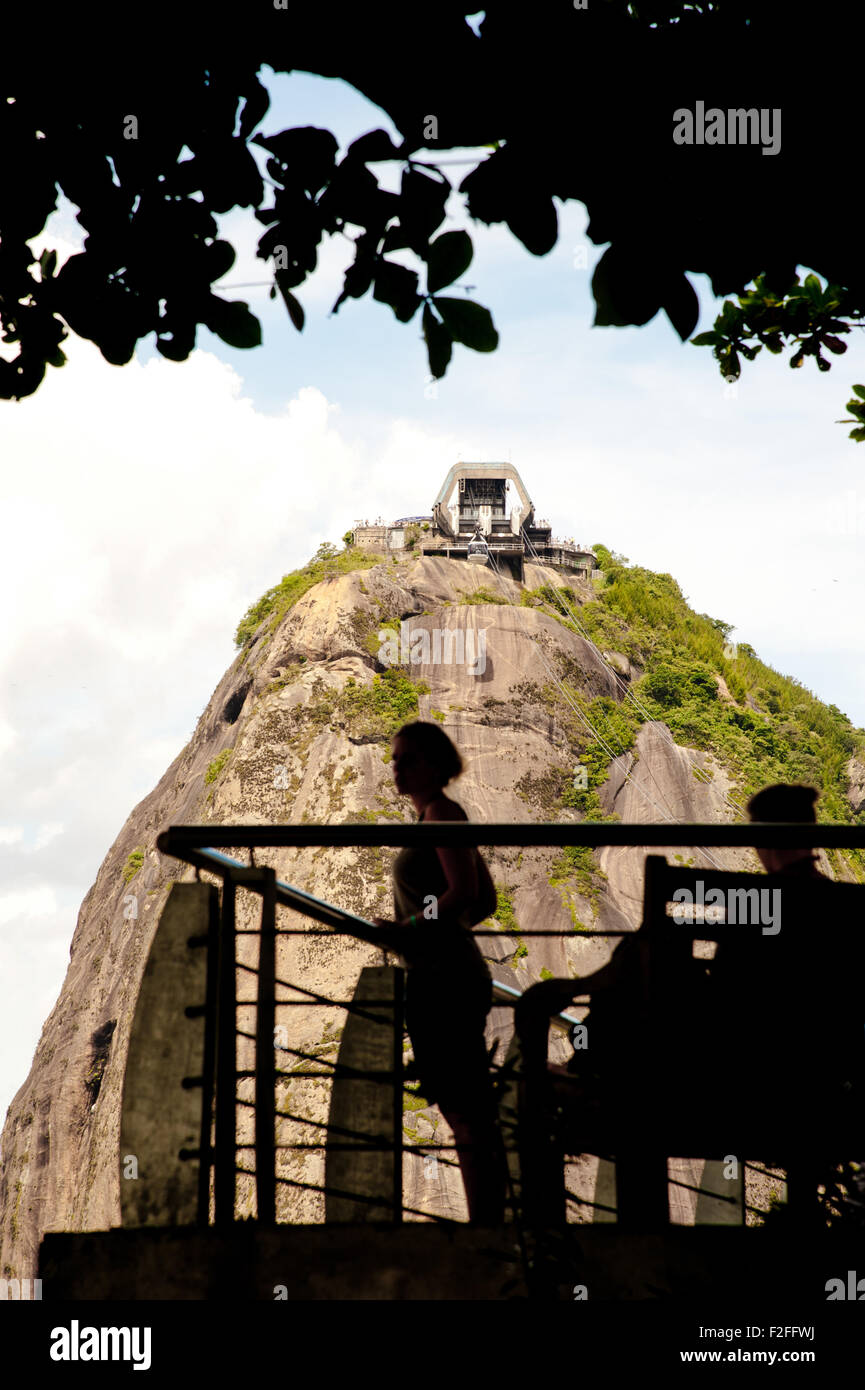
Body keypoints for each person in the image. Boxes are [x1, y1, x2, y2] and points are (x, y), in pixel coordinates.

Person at [372, 720, 507, 1225]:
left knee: (465, 1112)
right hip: (451, 972)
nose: (397, 767)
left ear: (431, 763)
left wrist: (411, 925)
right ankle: (490, 1224)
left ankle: (487, 1230)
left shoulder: (444, 815)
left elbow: (465, 895)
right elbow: (482, 897)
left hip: (443, 978)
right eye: (395, 758)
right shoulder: (438, 816)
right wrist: (431, 924)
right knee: (466, 1109)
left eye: (406, 758)